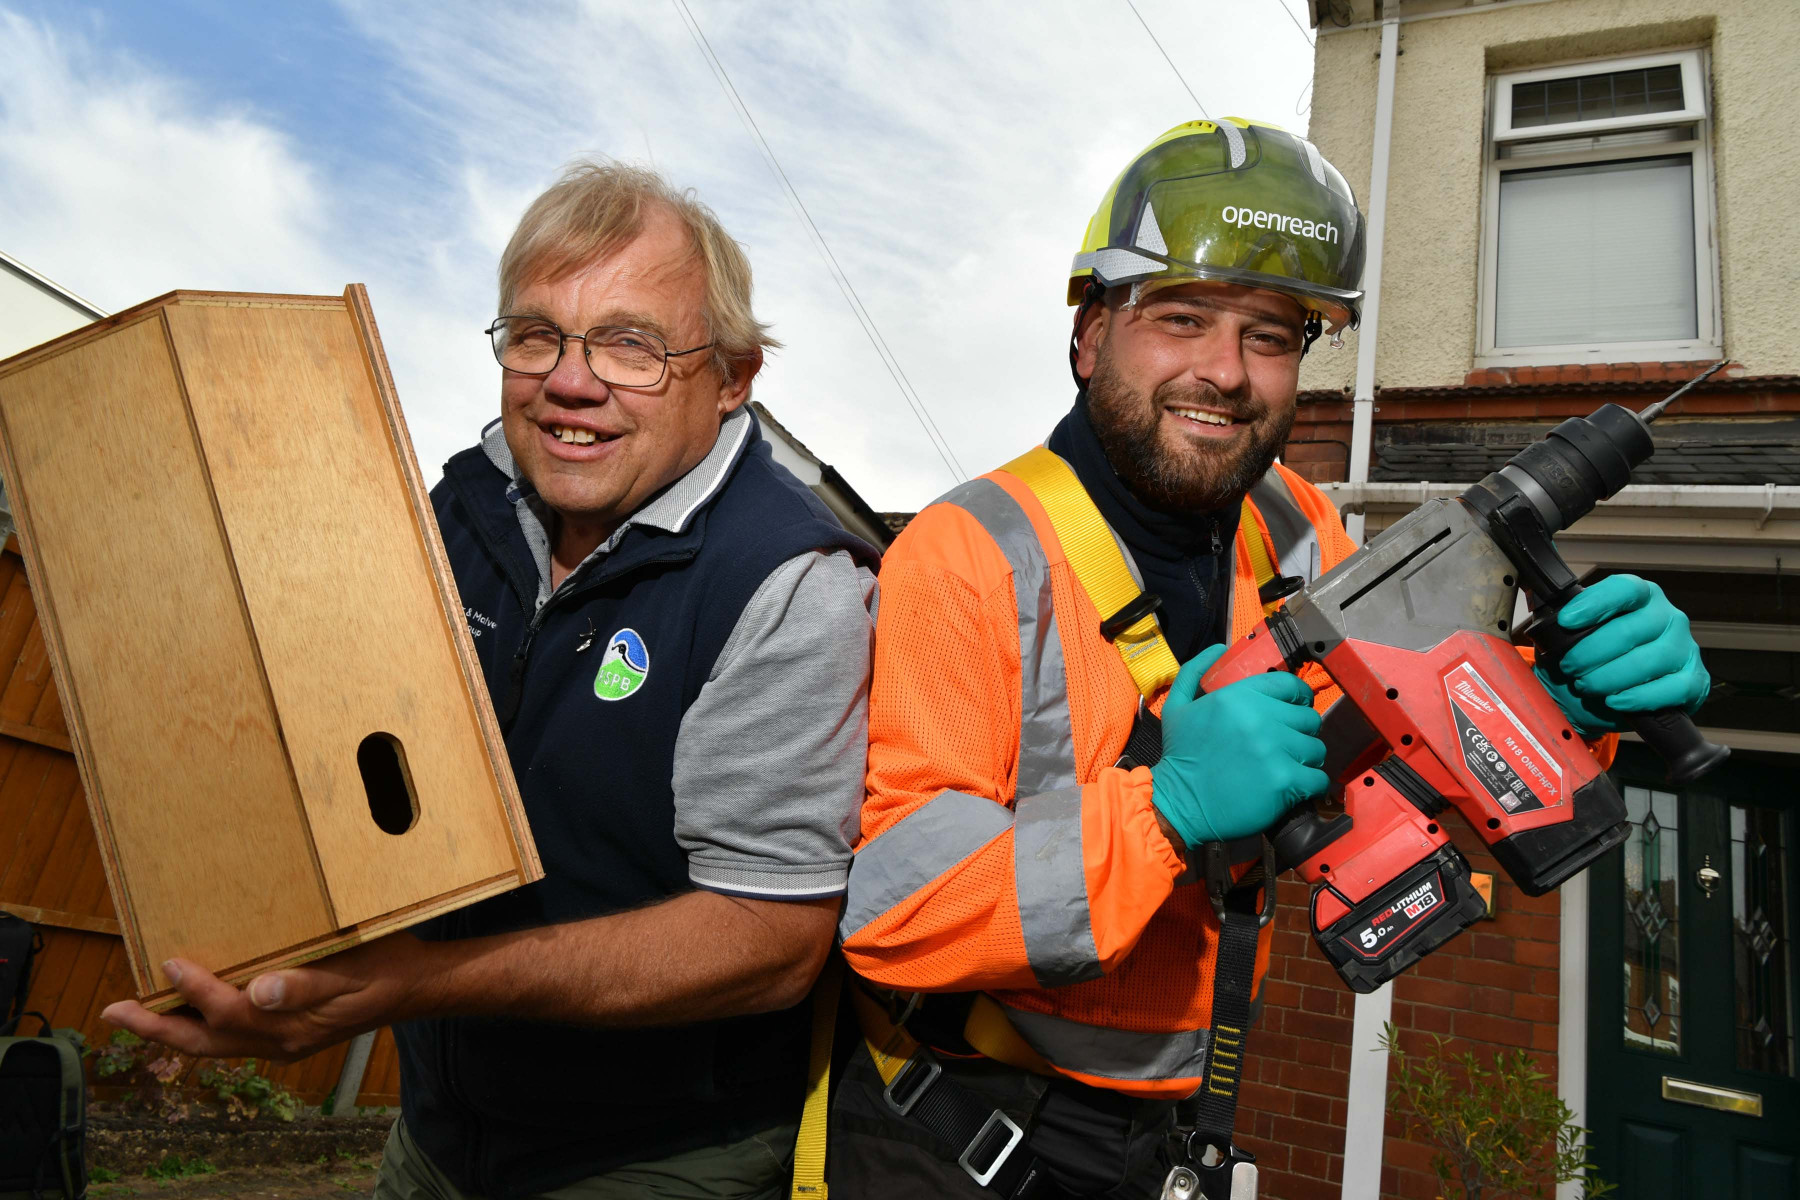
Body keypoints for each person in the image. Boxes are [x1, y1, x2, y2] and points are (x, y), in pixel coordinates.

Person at [830, 117, 1711, 1199]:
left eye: (1271, 336)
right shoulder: (970, 553)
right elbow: (895, 917)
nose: (1225, 373)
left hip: (1175, 1127)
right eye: (1182, 318)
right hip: (964, 1130)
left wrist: (1555, 703)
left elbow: (1394, 769)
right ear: (1089, 336)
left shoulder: (1296, 534)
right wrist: (1168, 811)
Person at [103, 161, 881, 1200]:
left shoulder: (788, 584)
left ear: (733, 377)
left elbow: (766, 937)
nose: (570, 379)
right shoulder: (458, 509)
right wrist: (260, 961)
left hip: (657, 1151)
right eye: (536, 334)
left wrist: (408, 985)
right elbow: (350, 766)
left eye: (629, 343)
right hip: (440, 1130)